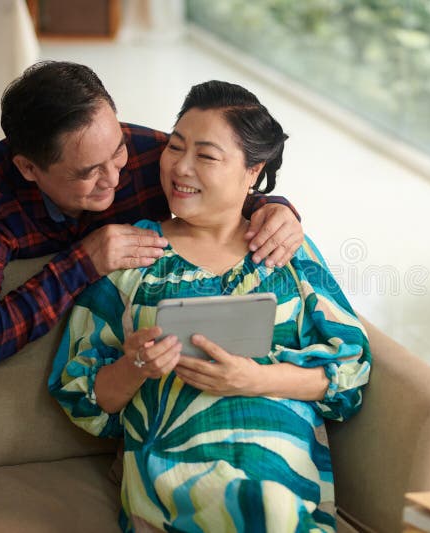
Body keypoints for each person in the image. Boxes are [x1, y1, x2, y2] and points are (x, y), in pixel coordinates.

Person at [49, 80, 371, 532]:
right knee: (266, 512)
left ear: (252, 172)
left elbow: (351, 368)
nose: (180, 167)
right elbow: (83, 396)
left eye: (206, 156)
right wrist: (136, 365)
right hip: (175, 469)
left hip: (282, 465)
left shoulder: (288, 250)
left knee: (272, 506)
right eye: (175, 147)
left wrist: (255, 378)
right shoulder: (131, 253)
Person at [0, 61, 303, 379]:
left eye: (117, 150)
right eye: (89, 172)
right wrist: (82, 263)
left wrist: (273, 207)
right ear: (30, 168)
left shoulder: (151, 154)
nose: (113, 177)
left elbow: (217, 182)